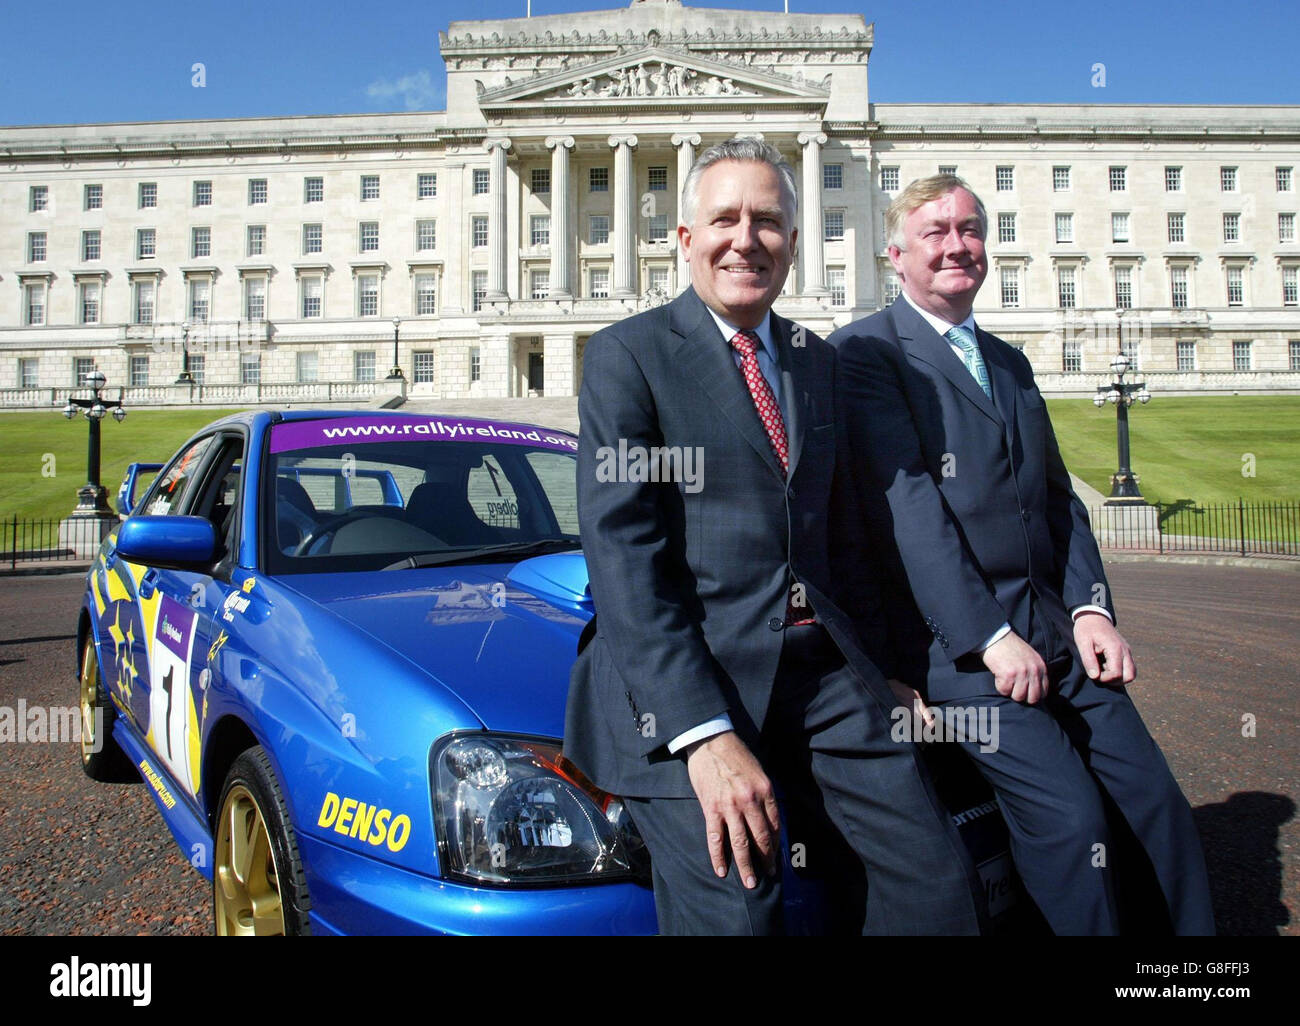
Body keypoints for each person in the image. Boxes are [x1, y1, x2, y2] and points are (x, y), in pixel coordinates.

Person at [564, 142, 984, 935]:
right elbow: (625, 559)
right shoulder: (629, 356)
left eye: (768, 221)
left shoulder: (814, 361)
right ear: (686, 239)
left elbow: (847, 542)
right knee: (740, 910)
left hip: (821, 676)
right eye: (724, 218)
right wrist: (705, 737)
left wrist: (886, 672)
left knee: (937, 882)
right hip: (687, 681)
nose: (745, 239)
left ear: (793, 241)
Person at [829, 173, 1216, 935]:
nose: (956, 245)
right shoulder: (865, 354)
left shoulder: (1006, 359)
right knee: (1073, 824)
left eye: (970, 229)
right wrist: (988, 636)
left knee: (1159, 806)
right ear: (895, 253)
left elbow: (1056, 498)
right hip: (961, 656)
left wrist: (1092, 607)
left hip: (1058, 636)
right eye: (936, 231)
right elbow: (910, 511)